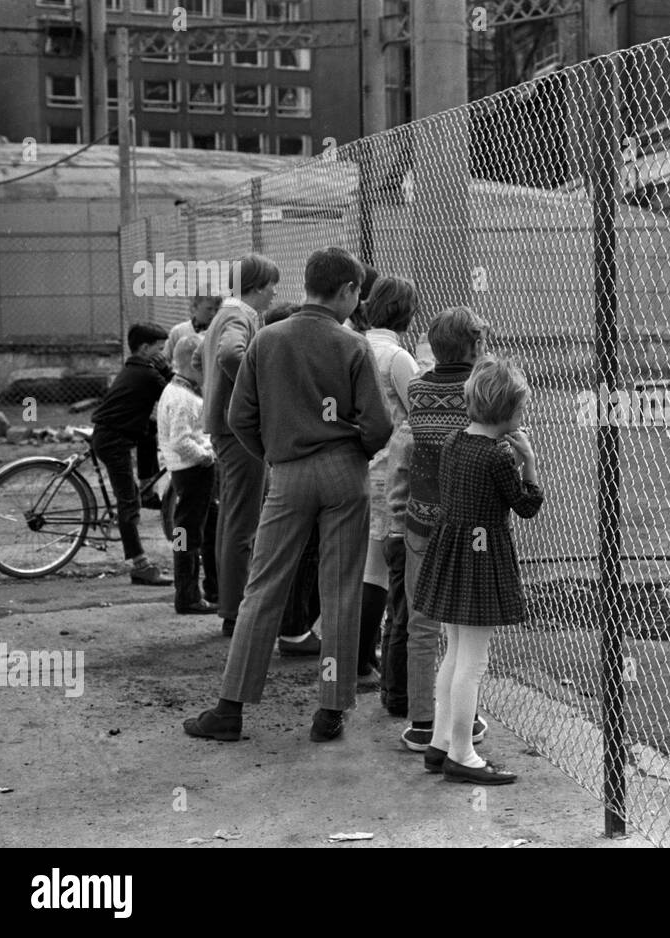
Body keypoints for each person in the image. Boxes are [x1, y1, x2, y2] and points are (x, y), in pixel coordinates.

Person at [183, 246, 392, 744]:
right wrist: (354, 450)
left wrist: (274, 454)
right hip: (344, 475)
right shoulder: (354, 345)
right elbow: (379, 424)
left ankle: (230, 709)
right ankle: (330, 711)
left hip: (286, 473)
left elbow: (238, 417)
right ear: (346, 291)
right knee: (339, 591)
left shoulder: (267, 338)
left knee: (263, 587)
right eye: (355, 293)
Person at [411, 356, 544, 784]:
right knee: (474, 662)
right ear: (506, 412)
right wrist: (530, 464)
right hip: (481, 560)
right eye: (520, 410)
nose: (522, 417)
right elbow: (526, 506)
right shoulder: (499, 457)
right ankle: (463, 754)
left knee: (454, 654)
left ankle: (441, 744)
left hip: (452, 553)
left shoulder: (454, 442)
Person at [398, 307, 491, 749]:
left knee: (423, 621)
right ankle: (461, 720)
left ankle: (421, 720)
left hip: (420, 516)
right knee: (463, 626)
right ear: (474, 346)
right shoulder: (479, 390)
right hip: (467, 522)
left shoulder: (416, 389)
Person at [198, 253, 279, 637]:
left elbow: (202, 358)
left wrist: (219, 392)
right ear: (256, 287)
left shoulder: (222, 315)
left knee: (234, 516)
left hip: (225, 429)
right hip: (239, 432)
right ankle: (235, 610)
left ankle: (230, 604)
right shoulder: (240, 315)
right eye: (270, 286)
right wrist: (256, 391)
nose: (275, 293)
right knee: (243, 522)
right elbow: (231, 354)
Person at [358, 277, 421, 693]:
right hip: (389, 468)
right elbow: (419, 411)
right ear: (407, 314)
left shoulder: (354, 345)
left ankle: (357, 653)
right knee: (381, 567)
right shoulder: (397, 357)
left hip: (357, 464)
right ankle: (367, 657)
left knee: (365, 562)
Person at [90, 322, 173, 586]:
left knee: (150, 430)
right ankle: (140, 566)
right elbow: (174, 395)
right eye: (159, 350)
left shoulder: (133, 367)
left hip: (109, 433)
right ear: (145, 348)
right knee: (128, 504)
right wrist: (167, 370)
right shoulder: (148, 374)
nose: (162, 354)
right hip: (114, 441)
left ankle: (146, 488)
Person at [261, 301, 322, 657]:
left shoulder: (268, 367)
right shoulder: (293, 372)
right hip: (301, 471)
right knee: (304, 550)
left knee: (292, 550)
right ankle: (294, 630)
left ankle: (294, 624)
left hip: (282, 466)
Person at [157, 332, 218, 614]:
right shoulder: (183, 397)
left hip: (186, 471)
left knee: (200, 528)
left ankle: (207, 589)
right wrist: (206, 456)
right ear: (196, 364)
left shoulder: (176, 389)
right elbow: (181, 440)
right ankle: (188, 595)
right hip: (192, 471)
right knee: (188, 533)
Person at [162, 293, 222, 364]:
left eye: (216, 310)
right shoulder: (179, 331)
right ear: (195, 307)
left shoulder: (220, 333)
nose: (213, 313)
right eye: (209, 309)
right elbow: (166, 359)